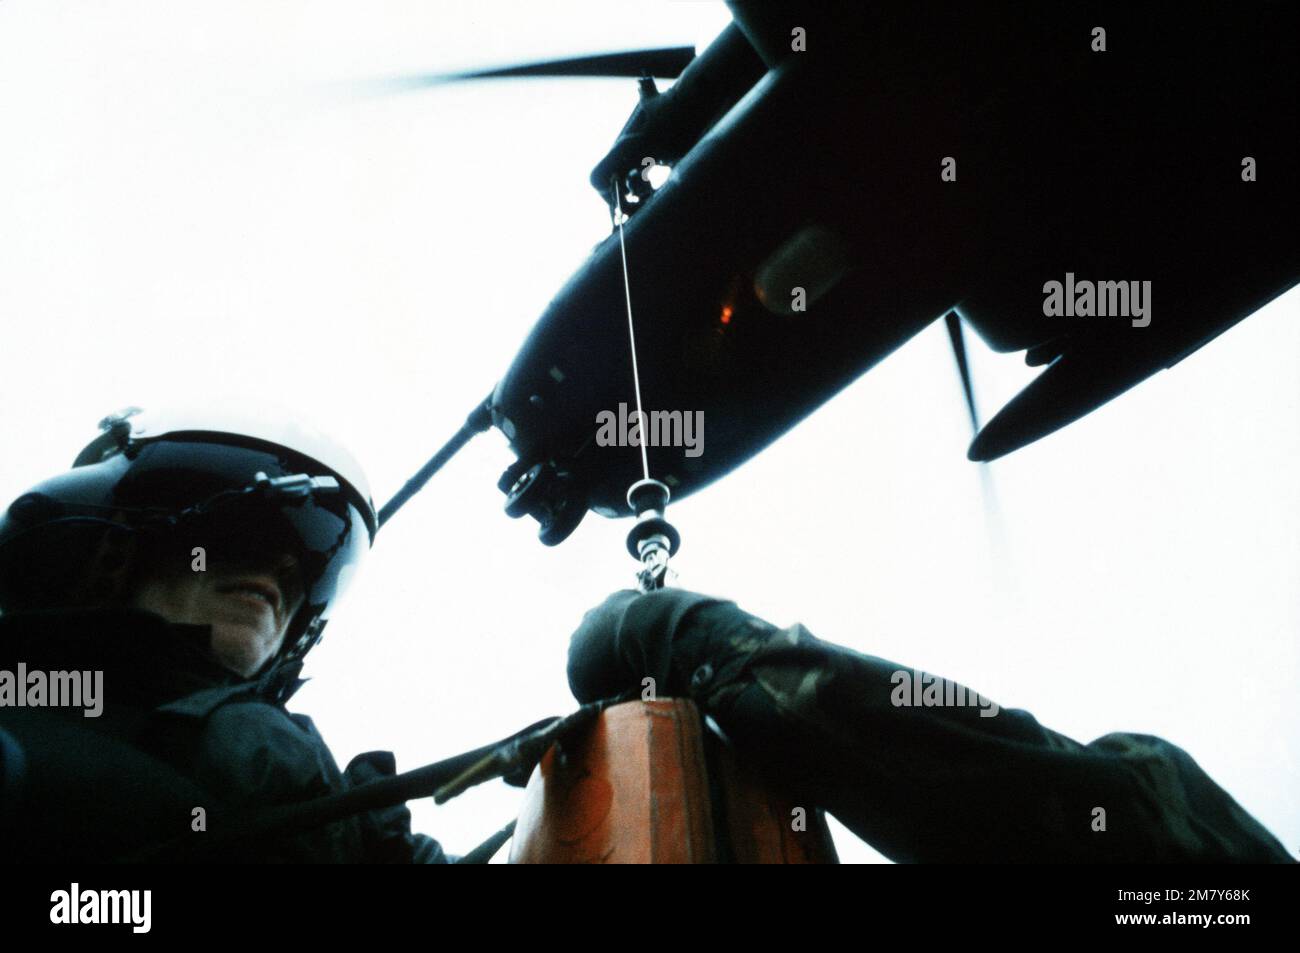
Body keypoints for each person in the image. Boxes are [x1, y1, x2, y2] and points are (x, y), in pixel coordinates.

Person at [0, 408, 1291, 863]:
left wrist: (763, 676)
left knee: (1165, 832)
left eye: (298, 572)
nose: (272, 583)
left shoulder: (297, 801)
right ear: (96, 550)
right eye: (238, 548)